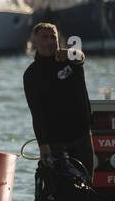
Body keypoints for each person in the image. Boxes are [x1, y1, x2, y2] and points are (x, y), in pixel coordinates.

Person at [24, 22, 93, 174]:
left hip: (81, 135)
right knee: (63, 189)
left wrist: (69, 53)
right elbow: (37, 112)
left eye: (53, 37)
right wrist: (43, 144)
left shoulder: (70, 58)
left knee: (87, 186)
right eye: (44, 37)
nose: (50, 41)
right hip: (56, 141)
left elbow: (81, 57)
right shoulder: (31, 74)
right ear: (35, 42)